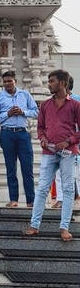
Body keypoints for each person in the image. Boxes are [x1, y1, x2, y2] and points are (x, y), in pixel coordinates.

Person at [24, 69, 80, 242]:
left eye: (52, 81)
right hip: (49, 152)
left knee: (69, 190)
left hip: (68, 153)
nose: (49, 84)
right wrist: (42, 138)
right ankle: (34, 225)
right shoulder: (46, 105)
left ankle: (64, 228)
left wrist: (69, 141)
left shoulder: (75, 105)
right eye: (48, 81)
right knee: (42, 189)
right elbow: (40, 127)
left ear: (63, 83)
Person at [0, 70, 38, 207]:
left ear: (15, 80)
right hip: (7, 134)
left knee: (27, 167)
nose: (7, 83)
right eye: (5, 82)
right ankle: (14, 200)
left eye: (10, 81)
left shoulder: (25, 95)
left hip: (23, 134)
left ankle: (31, 201)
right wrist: (7, 114)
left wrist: (23, 112)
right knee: (10, 167)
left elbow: (36, 112)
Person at [53, 75, 80, 208]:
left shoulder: (77, 101)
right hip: (60, 143)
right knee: (59, 171)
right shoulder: (55, 102)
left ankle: (70, 199)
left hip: (74, 143)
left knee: (74, 173)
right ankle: (60, 199)